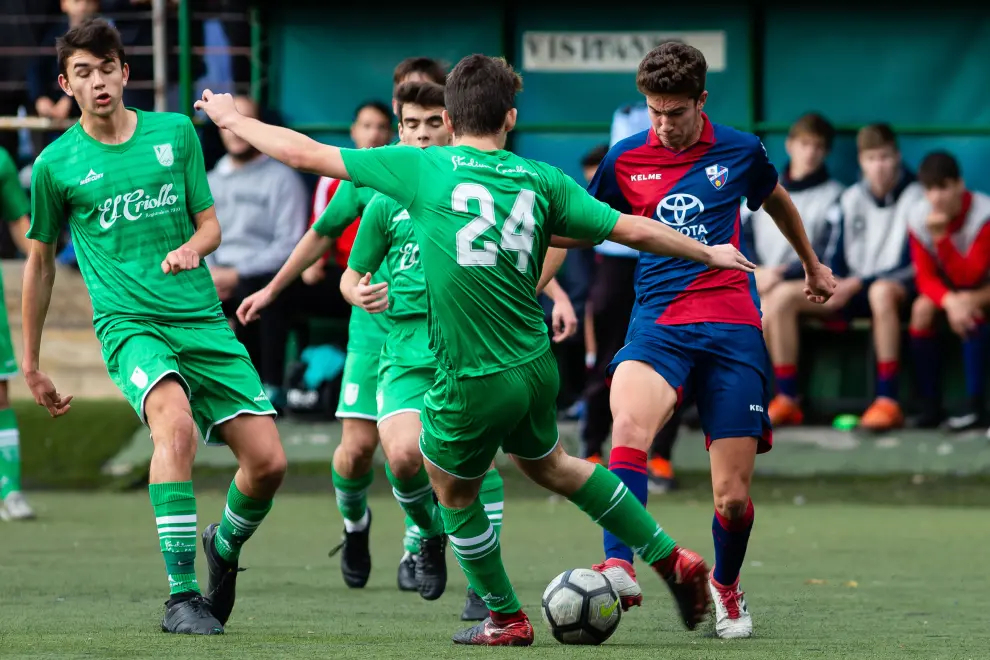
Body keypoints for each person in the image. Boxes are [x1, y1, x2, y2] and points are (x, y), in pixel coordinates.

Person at [197, 53, 760, 646]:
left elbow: (304, 153)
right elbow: (630, 226)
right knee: (555, 467)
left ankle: (505, 617)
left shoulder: (422, 170)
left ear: (449, 115)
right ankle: (671, 558)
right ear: (510, 117)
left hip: (471, 373)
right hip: (535, 366)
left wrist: (234, 118)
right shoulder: (541, 178)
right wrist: (709, 251)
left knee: (448, 486)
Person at [23, 19, 286, 635]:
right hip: (130, 324)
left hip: (201, 320)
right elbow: (39, 265)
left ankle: (222, 546)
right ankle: (181, 597)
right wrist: (30, 364)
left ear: (124, 72)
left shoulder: (176, 134)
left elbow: (211, 226)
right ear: (66, 84)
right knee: (174, 427)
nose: (97, 81)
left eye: (106, 67)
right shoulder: (55, 165)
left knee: (268, 464)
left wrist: (194, 249)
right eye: (82, 73)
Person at [587, 42, 835, 639]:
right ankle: (619, 564)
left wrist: (811, 263)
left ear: (701, 101)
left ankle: (725, 584)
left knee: (731, 499)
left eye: (675, 111)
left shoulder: (741, 150)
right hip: (659, 324)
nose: (663, 125)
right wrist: (542, 289)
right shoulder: (624, 159)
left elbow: (774, 198)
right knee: (627, 429)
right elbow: (579, 224)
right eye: (654, 111)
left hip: (730, 327)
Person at [762, 124, 923, 431]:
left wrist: (859, 283)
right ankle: (787, 399)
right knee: (780, 297)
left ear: (897, 158)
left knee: (880, 293)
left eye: (886, 157)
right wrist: (831, 281)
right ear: (862, 161)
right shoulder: (849, 199)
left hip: (896, 291)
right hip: (848, 290)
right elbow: (832, 256)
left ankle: (888, 401)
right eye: (872, 158)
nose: (880, 166)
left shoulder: (915, 197)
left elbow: (913, 264)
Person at [206, 94, 309, 407]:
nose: (234, 130)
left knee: (255, 290)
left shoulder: (282, 178)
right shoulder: (208, 180)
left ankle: (268, 386)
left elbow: (290, 245)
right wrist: (211, 273)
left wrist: (236, 273)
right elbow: (199, 234)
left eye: (242, 120)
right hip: (215, 276)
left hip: (263, 276)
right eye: (227, 122)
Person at [907, 151, 990, 431]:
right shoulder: (918, 216)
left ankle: (975, 405)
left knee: (971, 307)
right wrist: (950, 301)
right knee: (921, 309)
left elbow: (970, 276)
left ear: (959, 185)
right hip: (953, 292)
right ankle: (930, 405)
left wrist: (941, 238)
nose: (936, 197)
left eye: (943, 187)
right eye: (930, 189)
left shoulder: (983, 214)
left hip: (982, 289)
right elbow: (925, 278)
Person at [741, 112, 844, 299]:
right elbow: (741, 235)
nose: (811, 152)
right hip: (759, 278)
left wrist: (781, 274)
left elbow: (826, 250)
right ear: (789, 145)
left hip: (802, 284)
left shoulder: (836, 196)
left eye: (818, 146)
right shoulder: (762, 186)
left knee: (775, 303)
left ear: (827, 152)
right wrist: (758, 272)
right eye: (804, 144)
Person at [0, 146, 33, 521]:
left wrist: (42, 256)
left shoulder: (1, 160)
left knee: (0, 391)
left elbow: (19, 224)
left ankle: (10, 490)